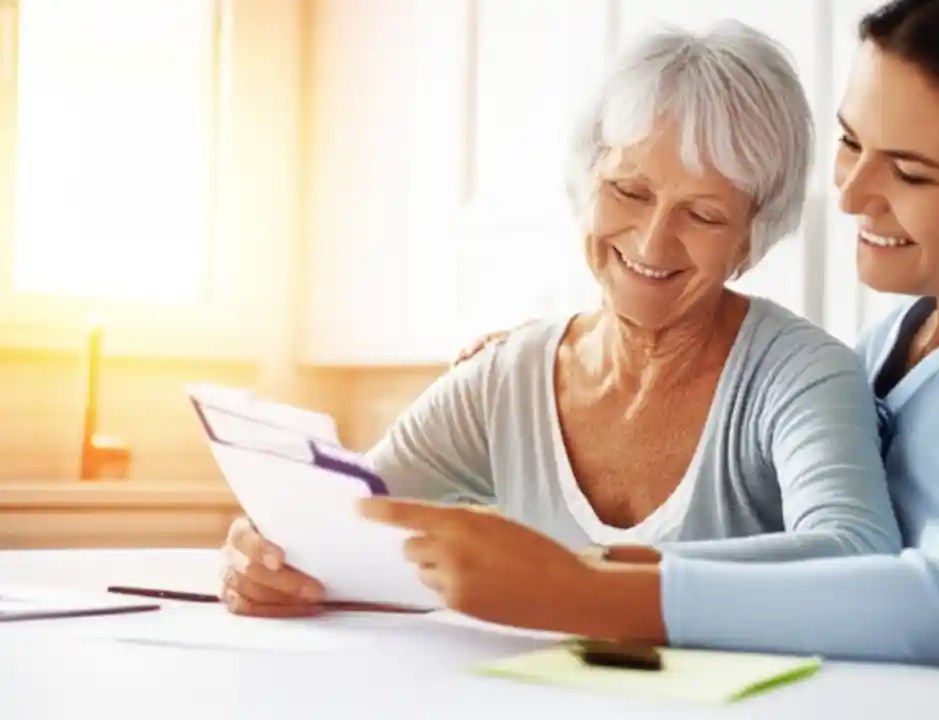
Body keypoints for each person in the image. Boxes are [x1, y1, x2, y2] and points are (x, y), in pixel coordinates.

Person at [359, 0, 939, 712]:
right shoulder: (896, 342)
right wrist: (595, 564)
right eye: (848, 143)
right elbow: (835, 574)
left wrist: (594, 591)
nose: (849, 196)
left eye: (909, 172)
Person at [216, 22, 901, 619]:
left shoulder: (802, 376)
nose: (653, 242)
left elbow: (859, 555)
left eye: (703, 214)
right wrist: (269, 559)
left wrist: (574, 580)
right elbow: (348, 531)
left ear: (751, 238)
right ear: (585, 181)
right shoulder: (507, 379)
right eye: (629, 192)